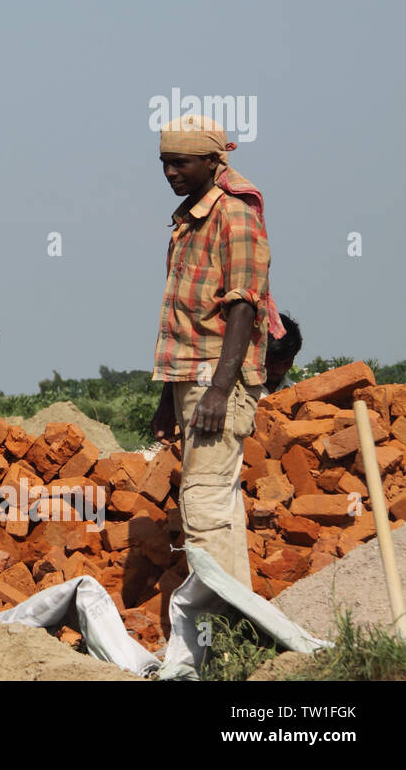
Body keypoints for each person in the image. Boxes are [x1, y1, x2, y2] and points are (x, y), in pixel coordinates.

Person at [149, 115, 285, 589]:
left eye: (180, 162)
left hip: (217, 384)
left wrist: (218, 391)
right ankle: (235, 628)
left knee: (203, 505)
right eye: (164, 163)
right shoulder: (189, 220)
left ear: (211, 161)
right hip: (192, 381)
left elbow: (243, 307)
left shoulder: (234, 215)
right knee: (217, 507)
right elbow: (184, 322)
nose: (170, 172)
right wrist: (168, 400)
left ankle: (217, 632)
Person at [263, 313, 303, 395]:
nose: (279, 370)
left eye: (287, 362)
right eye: (273, 362)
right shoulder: (237, 393)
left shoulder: (297, 394)